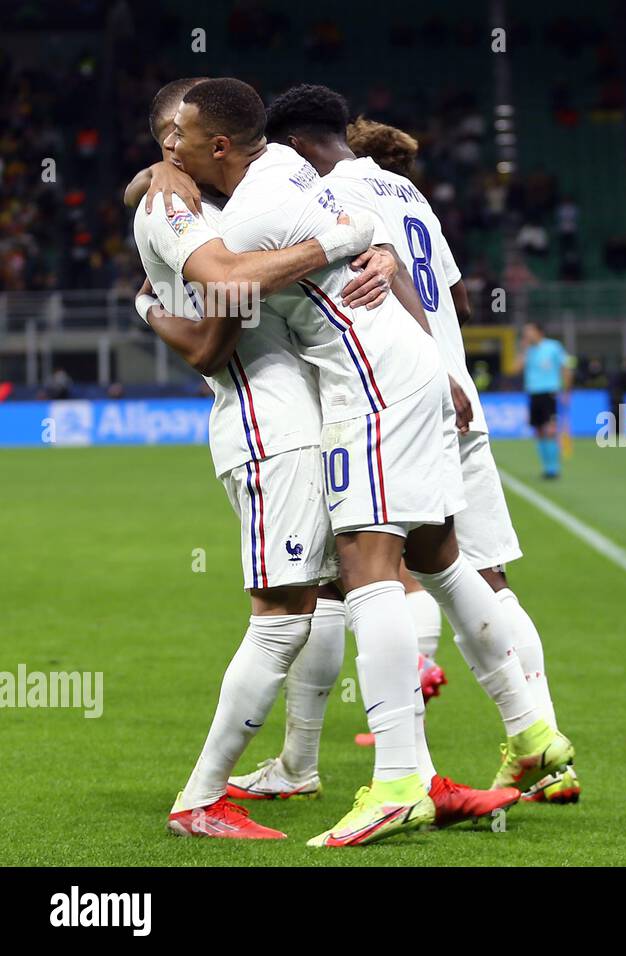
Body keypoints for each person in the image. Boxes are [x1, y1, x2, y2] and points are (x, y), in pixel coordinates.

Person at [168, 77, 537, 846]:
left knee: (353, 579)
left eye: (184, 138)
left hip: (355, 395)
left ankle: (393, 778)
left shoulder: (248, 207)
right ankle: (529, 737)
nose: (178, 151)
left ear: (225, 143)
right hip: (412, 374)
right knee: (441, 563)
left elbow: (223, 304)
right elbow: (411, 265)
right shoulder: (361, 185)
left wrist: (147, 304)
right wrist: (432, 354)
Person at [245, 88, 578, 804]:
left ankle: (387, 774)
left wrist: (426, 368)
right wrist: (449, 371)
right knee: (481, 576)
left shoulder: (326, 194)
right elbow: (445, 291)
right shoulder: (404, 187)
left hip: (402, 395)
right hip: (455, 389)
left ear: (296, 146)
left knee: (354, 577)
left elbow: (388, 283)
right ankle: (544, 744)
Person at [127, 77, 384, 839]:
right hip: (269, 431)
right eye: (169, 135)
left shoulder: (206, 202)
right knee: (279, 617)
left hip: (294, 424)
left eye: (190, 132)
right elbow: (215, 335)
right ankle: (200, 799)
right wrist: (148, 305)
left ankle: (297, 766)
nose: (182, 146)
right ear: (164, 136)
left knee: (326, 596)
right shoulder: (176, 211)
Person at [514, 320, 571, 479]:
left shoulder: (553, 347)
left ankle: (554, 468)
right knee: (538, 431)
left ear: (538, 331)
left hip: (549, 392)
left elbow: (565, 368)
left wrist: (566, 391)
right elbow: (514, 369)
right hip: (533, 393)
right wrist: (523, 350)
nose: (526, 334)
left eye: (529, 331)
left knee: (550, 430)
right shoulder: (528, 350)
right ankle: (546, 467)